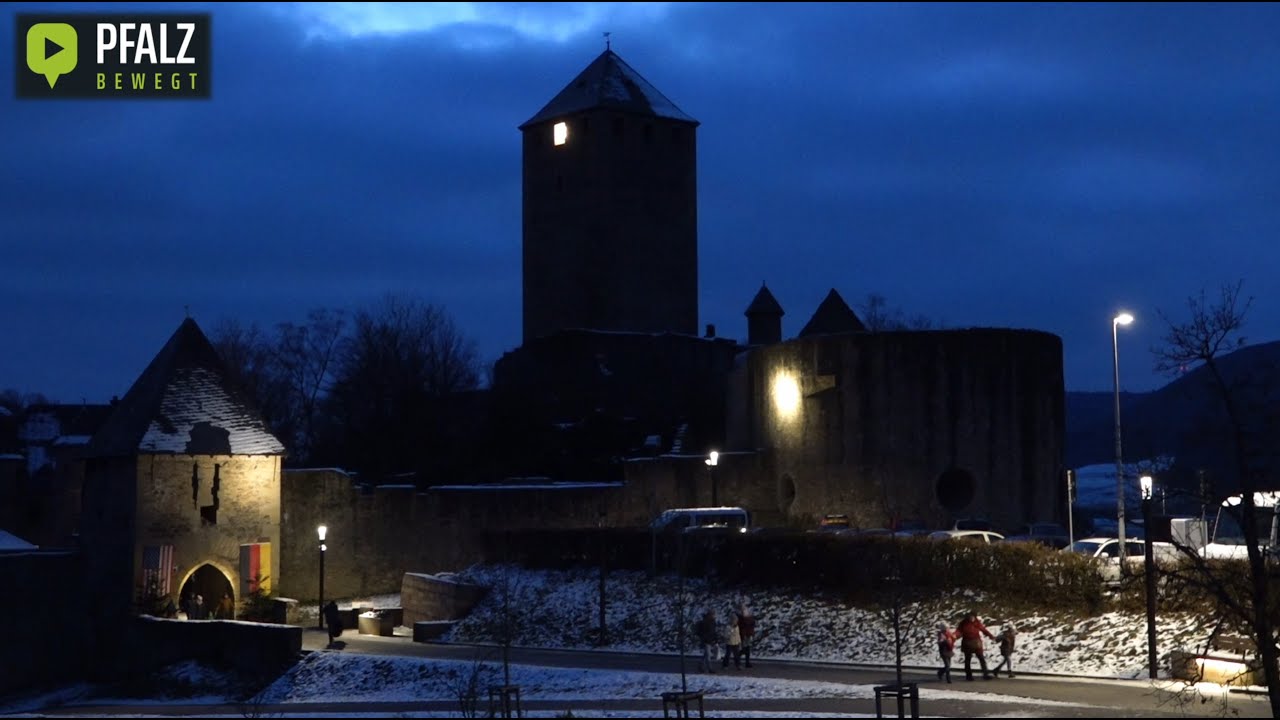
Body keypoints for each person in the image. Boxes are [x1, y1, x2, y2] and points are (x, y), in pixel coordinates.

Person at [956, 611, 996, 680]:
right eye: (970, 617)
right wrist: (954, 636)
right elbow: (958, 631)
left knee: (981, 659)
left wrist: (991, 636)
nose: (971, 618)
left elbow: (984, 630)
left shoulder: (977, 623)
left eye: (973, 617)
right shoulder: (963, 623)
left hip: (976, 643)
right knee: (968, 659)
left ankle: (985, 674)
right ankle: (969, 676)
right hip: (967, 643)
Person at [693, 609, 719, 673]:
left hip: (710, 640)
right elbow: (704, 633)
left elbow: (713, 632)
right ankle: (710, 668)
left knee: (706, 655)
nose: (714, 616)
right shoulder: (705, 622)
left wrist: (715, 640)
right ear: (710, 615)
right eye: (713, 615)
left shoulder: (713, 622)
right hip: (706, 641)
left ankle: (700, 665)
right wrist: (706, 639)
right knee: (708, 655)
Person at [736, 601, 757, 668]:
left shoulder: (748, 617)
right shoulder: (739, 618)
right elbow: (741, 627)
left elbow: (752, 624)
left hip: (748, 634)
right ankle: (738, 659)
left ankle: (747, 662)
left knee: (747, 649)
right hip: (743, 635)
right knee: (744, 649)